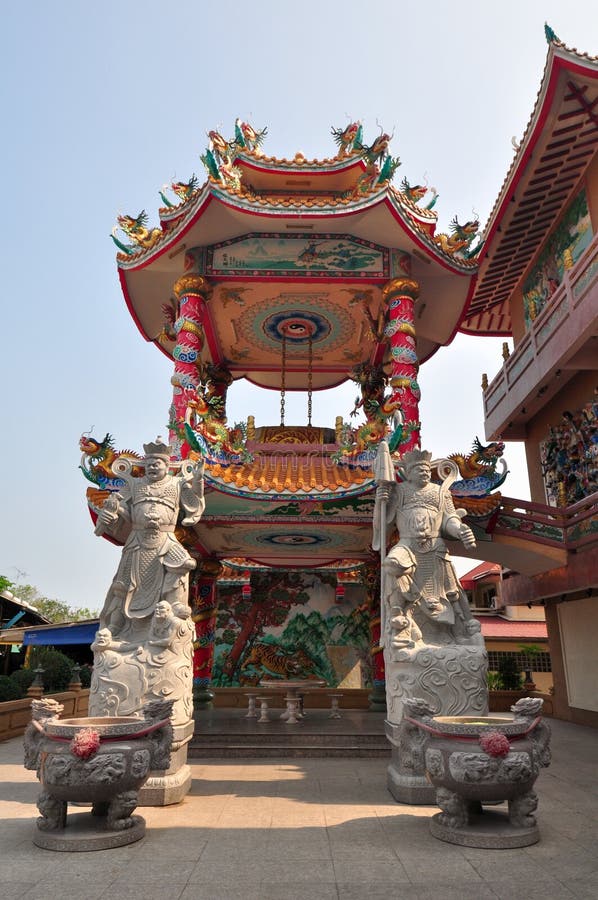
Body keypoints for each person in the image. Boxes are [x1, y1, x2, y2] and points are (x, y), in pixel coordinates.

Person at [97, 438, 205, 638]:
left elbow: (194, 506)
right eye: (149, 464)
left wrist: (197, 481)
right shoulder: (134, 484)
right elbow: (114, 507)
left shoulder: (177, 483)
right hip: (137, 540)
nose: (152, 467)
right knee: (124, 586)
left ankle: (172, 613)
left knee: (184, 565)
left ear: (167, 465)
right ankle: (116, 626)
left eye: (157, 463)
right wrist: (109, 514)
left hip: (166, 539)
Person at [374, 448, 478, 648]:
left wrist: (460, 531)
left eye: (426, 469)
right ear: (409, 472)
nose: (424, 472)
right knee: (392, 566)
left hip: (435, 545)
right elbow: (386, 523)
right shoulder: (400, 491)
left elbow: (450, 520)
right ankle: (398, 617)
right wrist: (381, 501)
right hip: (407, 544)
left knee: (452, 591)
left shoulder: (441, 493)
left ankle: (461, 629)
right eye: (418, 469)